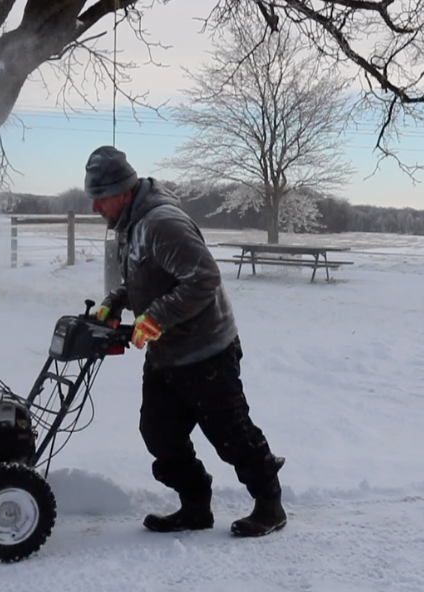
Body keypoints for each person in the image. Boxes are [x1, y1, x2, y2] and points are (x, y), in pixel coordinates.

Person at [83, 145, 287, 537]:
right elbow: (149, 277)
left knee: (231, 435)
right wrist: (115, 302)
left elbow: (204, 279)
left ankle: (270, 504)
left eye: (100, 198)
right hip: (167, 351)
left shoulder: (162, 223)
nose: (95, 208)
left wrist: (156, 317)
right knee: (159, 432)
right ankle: (195, 506)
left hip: (206, 349)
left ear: (122, 192)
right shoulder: (132, 224)